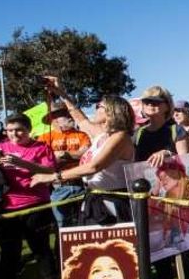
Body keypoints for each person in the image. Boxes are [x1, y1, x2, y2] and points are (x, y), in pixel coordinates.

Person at [0, 113, 61, 279]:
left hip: (36, 204)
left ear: (29, 130)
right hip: (7, 207)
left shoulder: (41, 148)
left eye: (19, 130)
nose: (14, 134)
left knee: (41, 248)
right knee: (9, 251)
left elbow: (51, 172)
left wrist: (22, 163)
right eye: (10, 130)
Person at [34, 80, 135, 226]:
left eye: (99, 106)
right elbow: (79, 118)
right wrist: (61, 92)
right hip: (96, 198)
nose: (95, 109)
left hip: (113, 201)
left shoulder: (120, 137)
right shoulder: (101, 135)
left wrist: (53, 177)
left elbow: (93, 167)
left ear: (112, 112)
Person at [132, 86, 189, 279]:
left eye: (157, 102)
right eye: (147, 101)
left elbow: (187, 160)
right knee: (157, 247)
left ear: (167, 105)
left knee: (180, 245)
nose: (151, 105)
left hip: (175, 194)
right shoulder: (139, 133)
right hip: (148, 196)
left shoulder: (174, 130)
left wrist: (168, 154)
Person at [35, 102, 91, 227]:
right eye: (63, 114)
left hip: (81, 185)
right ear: (52, 119)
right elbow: (43, 162)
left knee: (84, 223)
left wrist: (64, 154)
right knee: (62, 227)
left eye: (68, 113)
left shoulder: (82, 135)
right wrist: (72, 156)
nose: (69, 116)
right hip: (58, 187)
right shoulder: (43, 138)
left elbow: (86, 154)